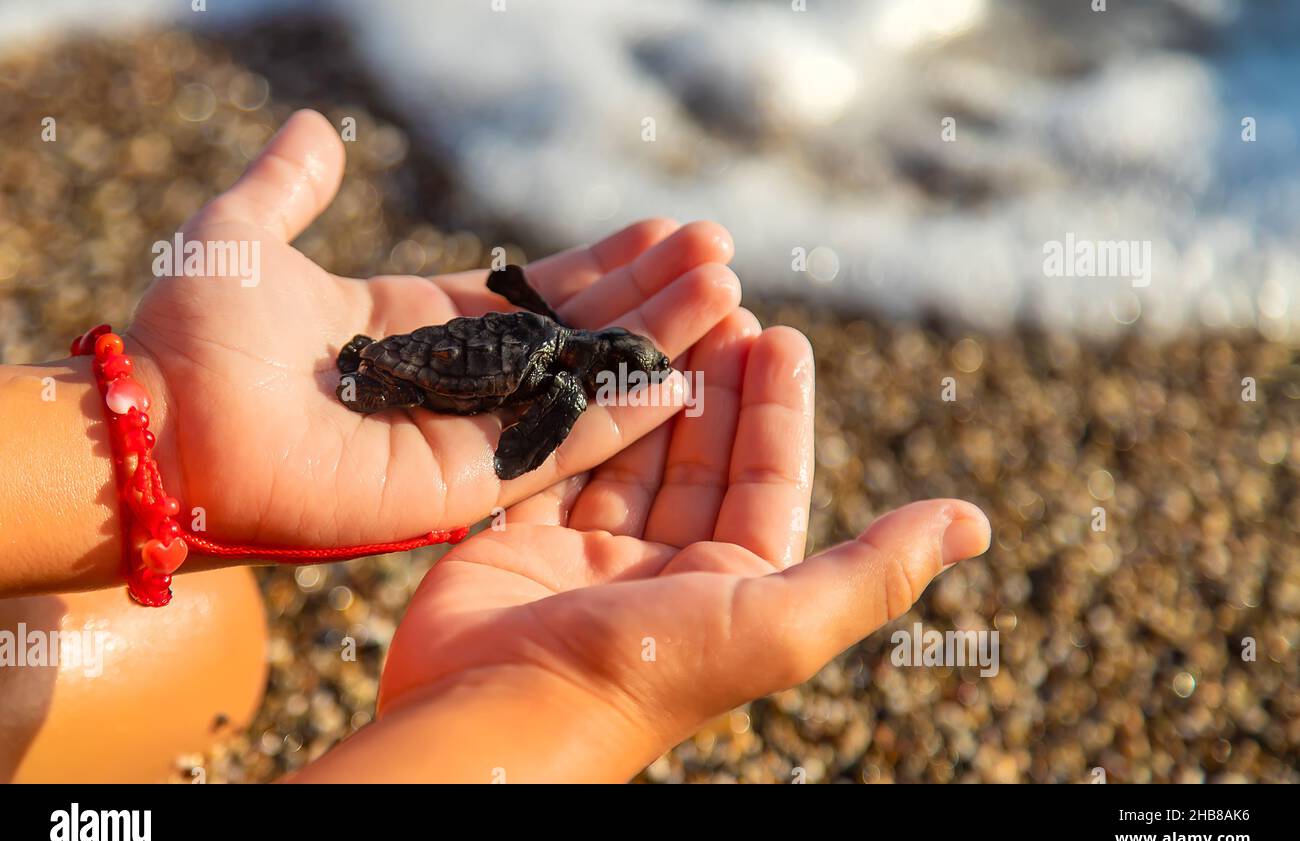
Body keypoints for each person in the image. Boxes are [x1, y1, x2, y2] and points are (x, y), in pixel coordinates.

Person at [0, 111, 989, 782]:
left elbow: (519, 301)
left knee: (204, 636)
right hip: (420, 371)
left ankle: (354, 381)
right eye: (625, 372)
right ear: (597, 367)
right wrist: (569, 702)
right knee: (193, 643)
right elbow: (529, 393)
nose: (624, 379)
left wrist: (167, 426)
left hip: (420, 360)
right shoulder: (558, 372)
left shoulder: (554, 339)